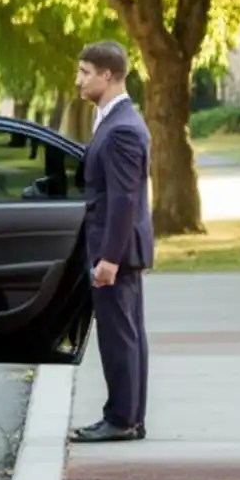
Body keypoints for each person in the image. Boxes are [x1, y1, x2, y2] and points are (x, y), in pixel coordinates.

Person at [68, 41, 155, 444]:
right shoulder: (113, 120)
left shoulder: (121, 128)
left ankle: (121, 419)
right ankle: (128, 417)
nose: (78, 79)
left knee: (120, 335)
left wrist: (109, 259)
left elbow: (124, 199)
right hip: (118, 251)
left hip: (115, 252)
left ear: (107, 75)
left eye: (85, 72)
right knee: (127, 334)